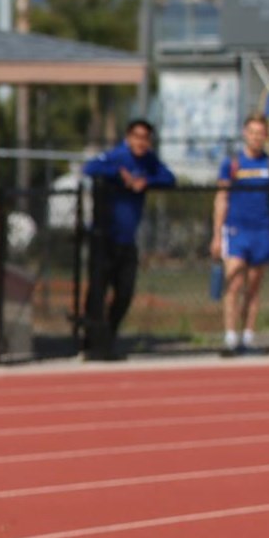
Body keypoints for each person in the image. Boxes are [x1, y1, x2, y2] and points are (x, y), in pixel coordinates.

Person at [80, 119, 174, 361]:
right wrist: (118, 176)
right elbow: (89, 168)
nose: (141, 143)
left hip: (127, 240)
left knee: (125, 292)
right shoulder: (116, 156)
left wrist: (147, 182)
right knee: (97, 291)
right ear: (128, 137)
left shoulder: (149, 161)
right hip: (103, 237)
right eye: (137, 137)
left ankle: (109, 334)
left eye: (146, 138)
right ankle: (92, 340)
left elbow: (169, 178)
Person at [212, 114, 269, 357]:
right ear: (245, 133)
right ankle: (230, 337)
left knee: (254, 286)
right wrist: (217, 235)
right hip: (236, 230)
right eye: (252, 132)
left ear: (266, 136)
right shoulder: (232, 164)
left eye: (261, 133)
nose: (256, 137)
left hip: (261, 230)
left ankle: (248, 336)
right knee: (234, 282)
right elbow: (221, 198)